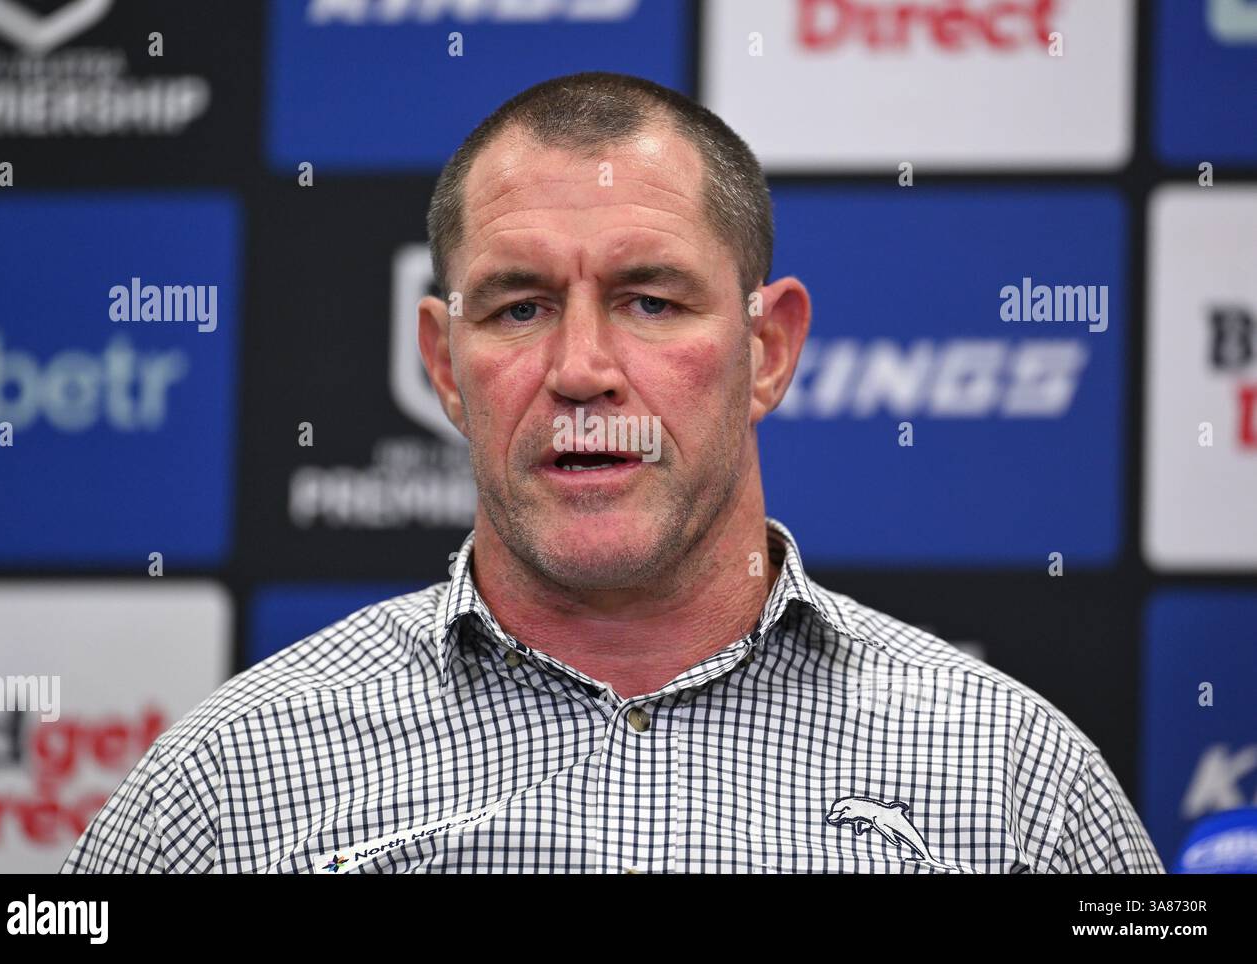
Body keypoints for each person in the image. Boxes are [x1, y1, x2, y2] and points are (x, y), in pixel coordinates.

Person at [61, 71, 1163, 874]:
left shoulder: (1012, 781)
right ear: (444, 365)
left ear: (767, 349)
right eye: (519, 307)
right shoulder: (229, 787)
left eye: (651, 300)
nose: (581, 369)